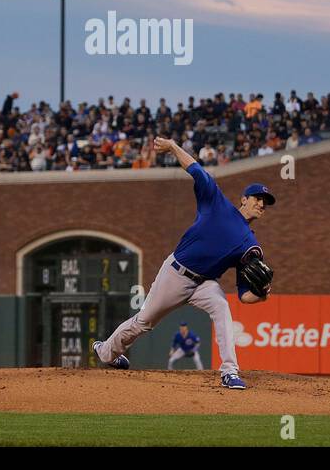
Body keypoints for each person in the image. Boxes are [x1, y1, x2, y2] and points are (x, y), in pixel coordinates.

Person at [92, 136, 275, 389]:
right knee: (144, 322)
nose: (261, 203)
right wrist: (173, 147)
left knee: (222, 309)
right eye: (257, 197)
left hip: (205, 284)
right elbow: (196, 170)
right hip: (176, 273)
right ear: (244, 198)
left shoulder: (250, 246)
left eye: (265, 202)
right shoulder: (217, 203)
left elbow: (245, 296)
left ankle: (230, 372)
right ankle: (106, 353)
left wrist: (263, 295)